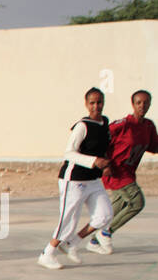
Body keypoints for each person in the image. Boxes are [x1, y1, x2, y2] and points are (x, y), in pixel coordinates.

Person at [39, 87, 113, 270]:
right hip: (74, 179)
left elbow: (104, 149)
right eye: (92, 103)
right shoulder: (82, 126)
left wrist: (106, 165)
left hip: (94, 180)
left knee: (105, 215)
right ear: (86, 104)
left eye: (99, 102)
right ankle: (47, 253)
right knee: (68, 220)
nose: (96, 106)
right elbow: (69, 153)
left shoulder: (105, 123)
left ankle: (71, 243)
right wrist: (94, 161)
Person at [93, 89, 157, 254]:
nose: (142, 106)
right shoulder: (123, 124)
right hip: (115, 172)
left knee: (117, 207)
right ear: (133, 104)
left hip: (129, 173)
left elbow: (154, 147)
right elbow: (101, 139)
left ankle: (94, 241)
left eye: (146, 102)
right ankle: (105, 232)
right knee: (137, 202)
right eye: (139, 102)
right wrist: (101, 163)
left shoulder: (149, 126)